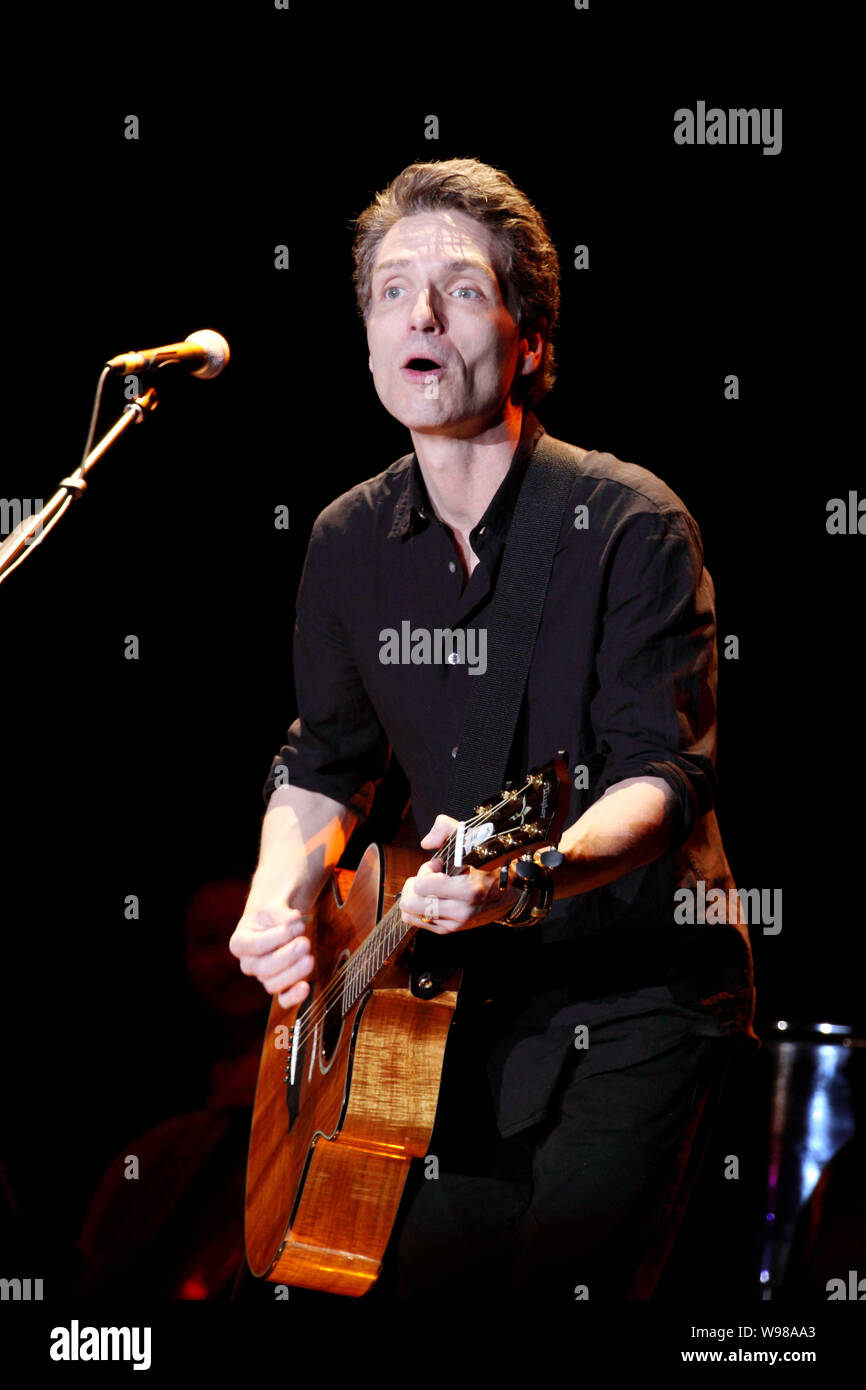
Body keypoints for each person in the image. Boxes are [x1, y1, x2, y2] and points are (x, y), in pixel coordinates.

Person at [229, 157, 758, 1304]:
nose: (419, 314)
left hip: (636, 993)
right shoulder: (346, 541)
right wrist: (277, 896)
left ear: (527, 339)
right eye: (389, 292)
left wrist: (526, 881)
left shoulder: (627, 523)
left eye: (461, 290)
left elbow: (660, 780)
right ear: (367, 340)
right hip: (449, 1005)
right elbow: (324, 761)